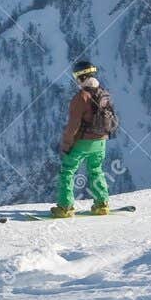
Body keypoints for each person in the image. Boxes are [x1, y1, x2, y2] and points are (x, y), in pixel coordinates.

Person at [51, 58, 113, 217]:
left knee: (67, 171)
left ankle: (65, 207)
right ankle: (102, 204)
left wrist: (66, 144)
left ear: (82, 77)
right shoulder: (104, 94)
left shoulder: (81, 97)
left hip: (83, 142)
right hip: (101, 141)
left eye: (77, 77)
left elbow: (73, 125)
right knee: (96, 171)